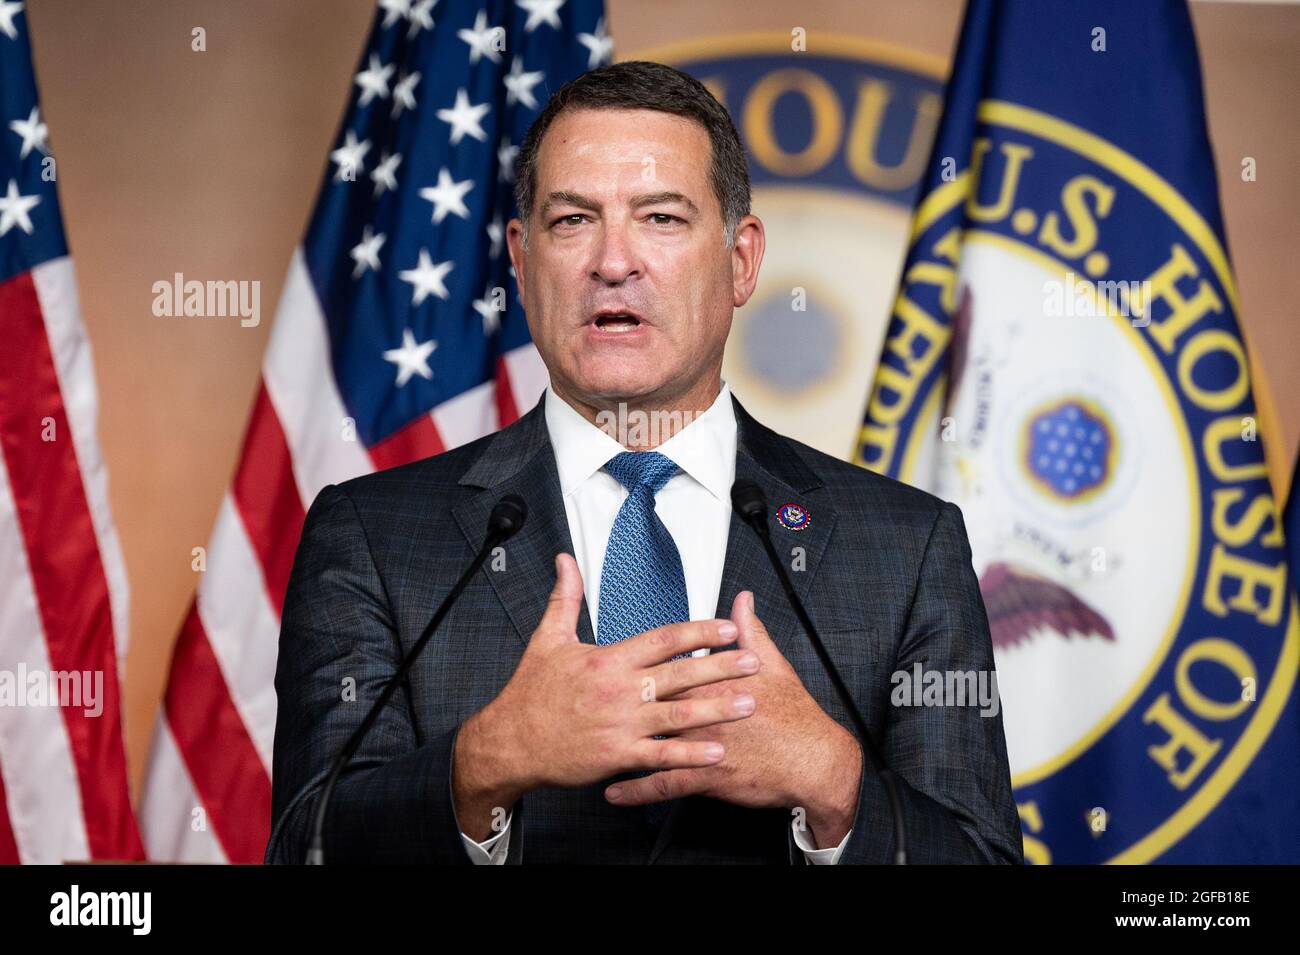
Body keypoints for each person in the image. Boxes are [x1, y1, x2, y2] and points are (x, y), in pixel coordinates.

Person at [265, 60, 1023, 865]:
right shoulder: (371, 537)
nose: (613, 261)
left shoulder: (907, 546)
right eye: (572, 222)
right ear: (521, 263)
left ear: (741, 259)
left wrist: (834, 779)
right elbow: (305, 849)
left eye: (661, 217)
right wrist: (485, 762)